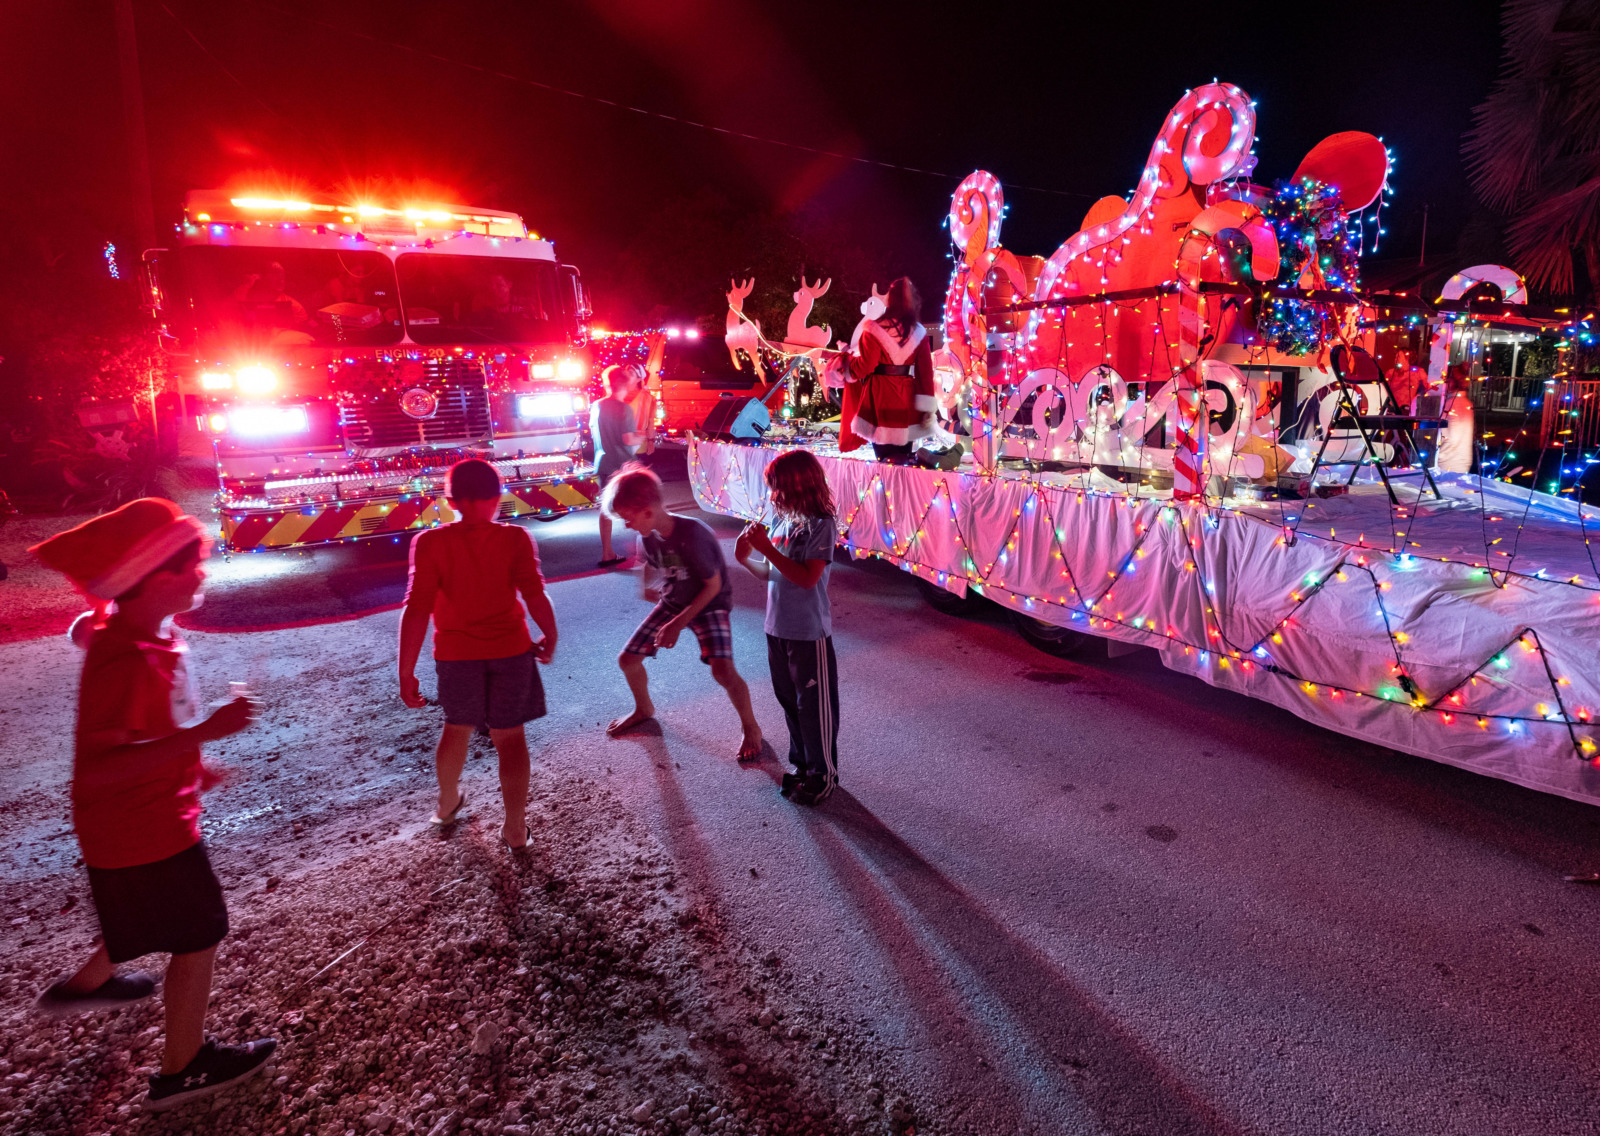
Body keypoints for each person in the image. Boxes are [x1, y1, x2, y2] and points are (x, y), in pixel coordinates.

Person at [28, 498, 277, 1112]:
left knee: (150, 915)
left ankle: (82, 989)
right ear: (148, 578)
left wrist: (194, 769)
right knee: (199, 934)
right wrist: (204, 735)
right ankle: (182, 1068)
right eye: (188, 566)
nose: (202, 574)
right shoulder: (126, 660)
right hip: (143, 830)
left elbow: (142, 738)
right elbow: (106, 765)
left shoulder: (144, 639)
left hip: (136, 827)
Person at [398, 459, 558, 849]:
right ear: (497, 496)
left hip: (455, 656)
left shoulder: (431, 543)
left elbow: (417, 609)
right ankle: (516, 829)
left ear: (451, 500)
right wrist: (550, 635)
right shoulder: (515, 538)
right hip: (511, 652)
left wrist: (406, 672)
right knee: (510, 738)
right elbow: (534, 593)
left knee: (457, 728)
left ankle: (448, 802)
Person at [601, 465, 763, 761]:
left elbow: (712, 587)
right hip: (674, 599)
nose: (626, 525)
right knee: (627, 659)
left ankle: (750, 726)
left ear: (648, 510)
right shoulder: (647, 534)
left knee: (722, 670)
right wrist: (645, 585)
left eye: (628, 518)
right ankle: (643, 708)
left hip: (709, 602)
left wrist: (677, 624)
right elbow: (648, 561)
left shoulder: (693, 534)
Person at [734, 450, 839, 805]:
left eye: (778, 488)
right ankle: (803, 765)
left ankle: (823, 774)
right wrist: (746, 558)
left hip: (808, 633)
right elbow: (771, 573)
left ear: (799, 486)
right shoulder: (782, 522)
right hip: (776, 628)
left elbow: (808, 578)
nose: (773, 496)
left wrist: (768, 549)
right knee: (789, 702)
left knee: (814, 707)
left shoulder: (821, 525)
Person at [845, 276, 936, 462]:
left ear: (890, 299)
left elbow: (866, 365)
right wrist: (927, 408)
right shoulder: (918, 332)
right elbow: (925, 374)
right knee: (903, 461)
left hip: (880, 394)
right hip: (906, 398)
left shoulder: (873, 328)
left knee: (884, 460)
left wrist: (847, 368)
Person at [593, 365, 645, 568]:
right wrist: (643, 435)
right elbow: (628, 438)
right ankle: (646, 551)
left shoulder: (597, 405)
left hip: (602, 462)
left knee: (606, 510)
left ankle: (607, 553)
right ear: (625, 383)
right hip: (622, 464)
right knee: (640, 505)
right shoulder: (623, 408)